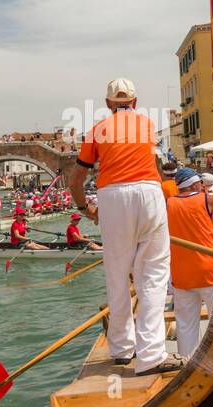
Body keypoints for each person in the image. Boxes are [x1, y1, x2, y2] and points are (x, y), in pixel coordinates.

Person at [68, 78, 179, 375]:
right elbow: (156, 166)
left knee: (117, 274)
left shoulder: (95, 131)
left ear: (108, 105)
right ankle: (152, 355)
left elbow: (75, 180)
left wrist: (86, 209)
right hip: (148, 191)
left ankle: (121, 349)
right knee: (153, 276)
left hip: (112, 196)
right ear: (135, 102)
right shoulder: (147, 126)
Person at [166, 167, 213, 357]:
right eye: (200, 183)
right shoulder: (207, 199)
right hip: (207, 271)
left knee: (185, 324)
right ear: (194, 184)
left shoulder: (168, 203)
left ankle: (187, 361)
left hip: (180, 275)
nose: (202, 186)